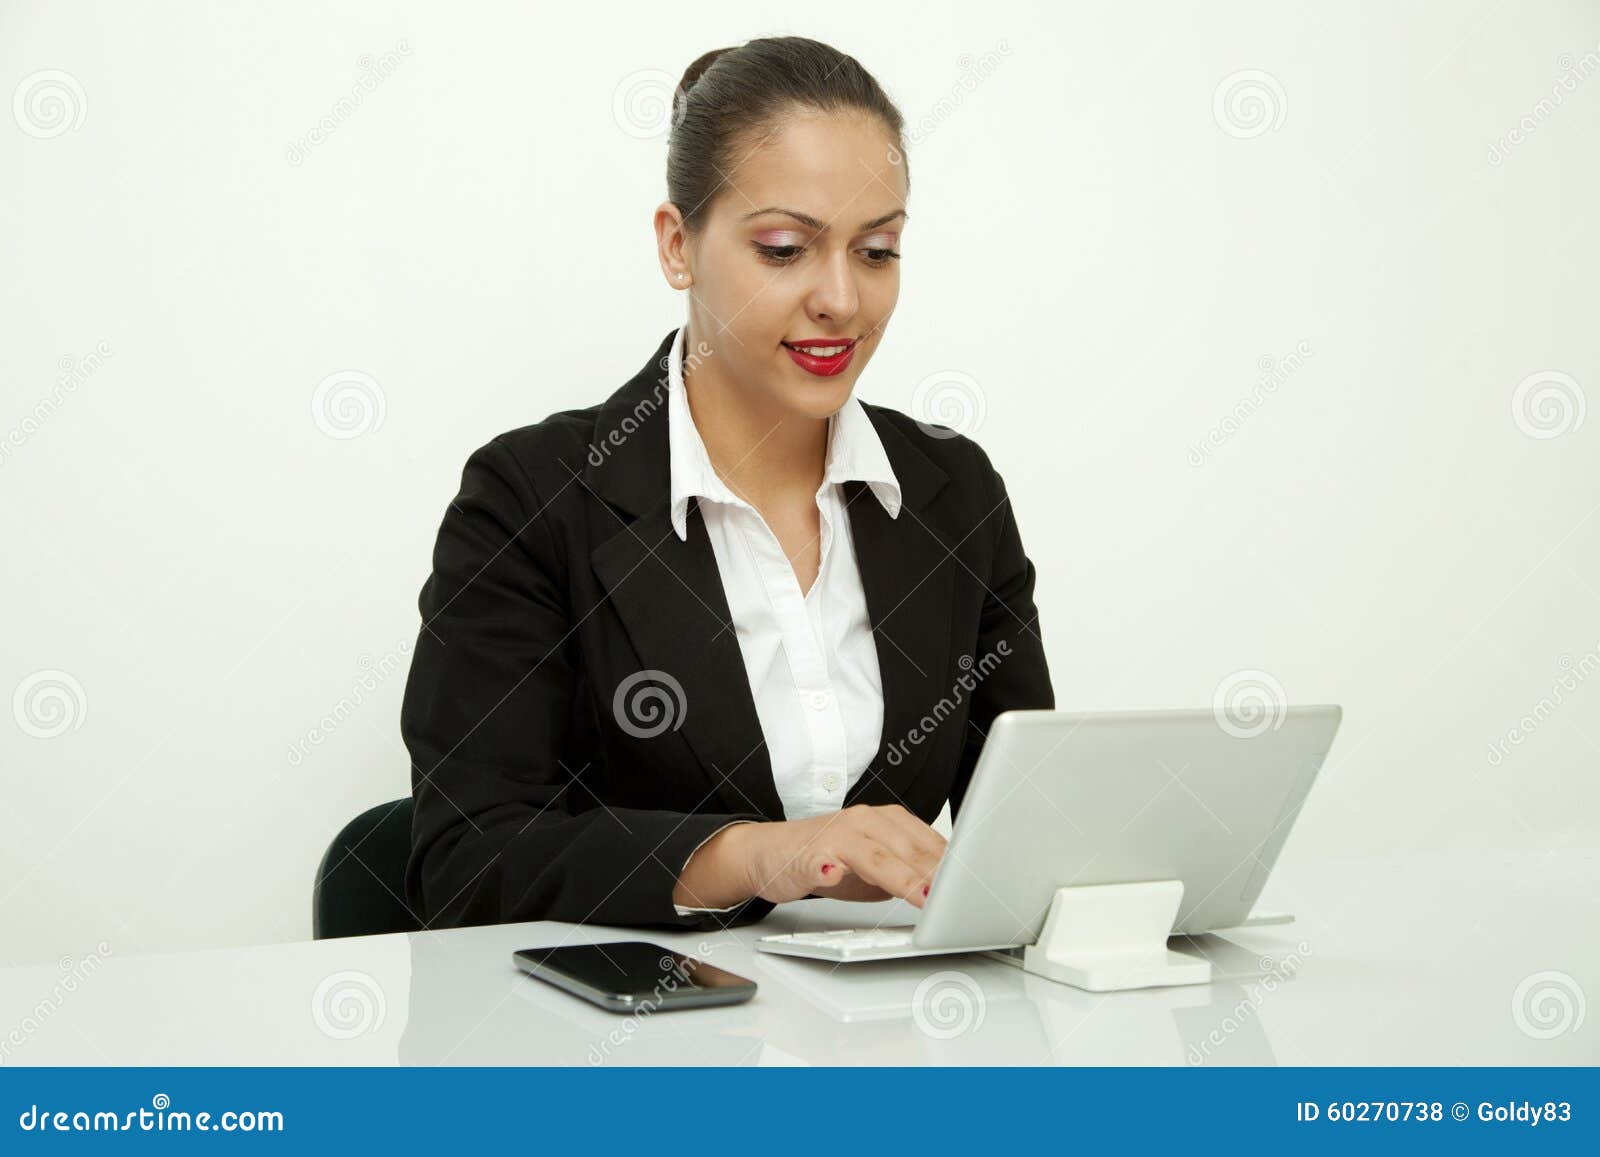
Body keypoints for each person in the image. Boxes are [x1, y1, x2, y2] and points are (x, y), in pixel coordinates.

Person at [400, 35, 1054, 933]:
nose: (842, 300)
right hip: (637, 1054)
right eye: (785, 249)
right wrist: (758, 855)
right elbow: (467, 865)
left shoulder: (954, 493)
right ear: (679, 246)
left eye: (877, 250)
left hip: (891, 1043)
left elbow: (1024, 833)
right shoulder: (530, 502)